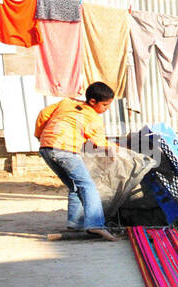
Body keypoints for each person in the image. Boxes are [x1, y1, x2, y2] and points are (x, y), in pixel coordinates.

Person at [35, 82, 118, 241]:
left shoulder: (66, 103)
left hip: (46, 148)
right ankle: (96, 225)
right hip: (65, 150)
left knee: (74, 185)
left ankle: (75, 224)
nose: (106, 109)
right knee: (88, 186)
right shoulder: (93, 118)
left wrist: (40, 135)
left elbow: (43, 115)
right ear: (93, 102)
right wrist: (115, 148)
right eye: (105, 105)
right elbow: (99, 142)